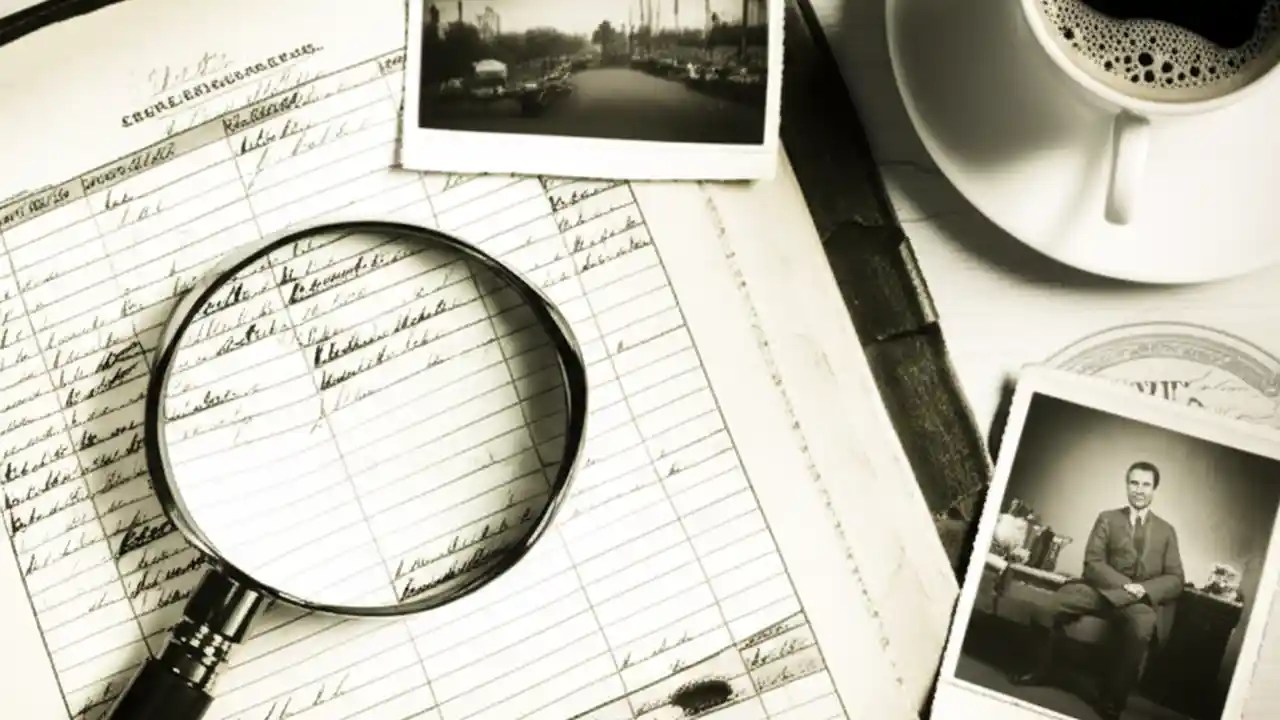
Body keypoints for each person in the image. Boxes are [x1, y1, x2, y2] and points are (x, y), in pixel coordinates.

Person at [1011, 460, 1184, 720]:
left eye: (1145, 484)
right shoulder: (1107, 518)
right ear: (1127, 485)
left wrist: (1143, 590)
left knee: (1141, 629)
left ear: (1154, 490)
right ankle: (1040, 669)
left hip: (1138, 602)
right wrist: (1125, 586)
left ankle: (1112, 701)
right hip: (1099, 592)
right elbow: (1093, 563)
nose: (1139, 489)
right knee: (1048, 607)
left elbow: (1175, 578)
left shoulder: (1166, 531)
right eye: (1134, 482)